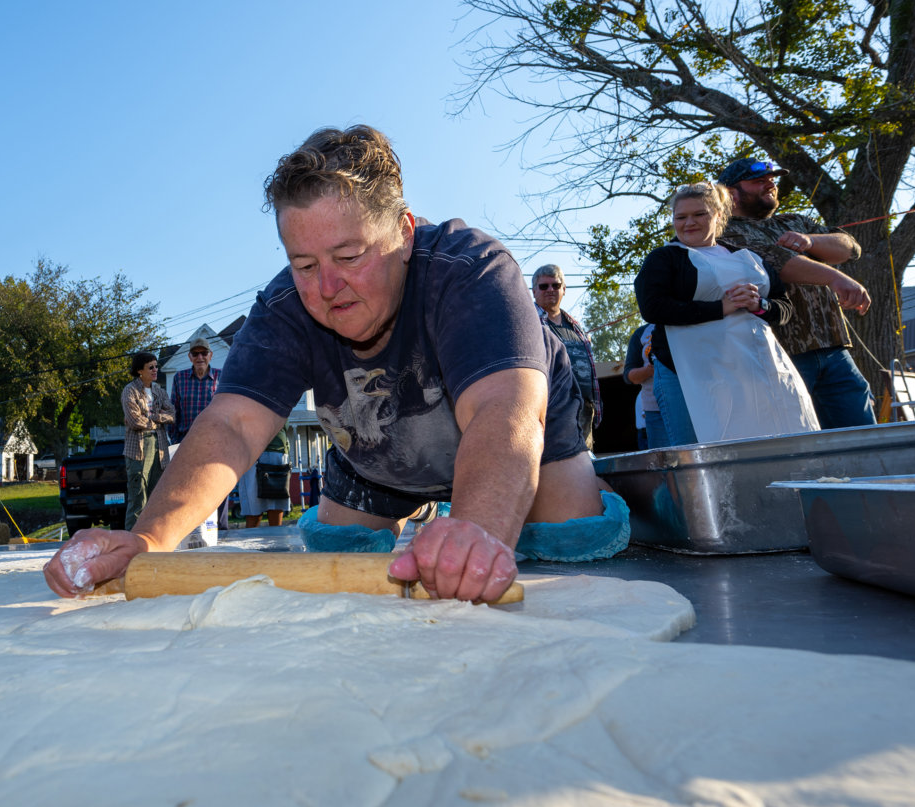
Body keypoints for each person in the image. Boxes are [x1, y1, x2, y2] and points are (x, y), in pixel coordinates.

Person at [46, 125, 627, 605]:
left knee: (567, 536)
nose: (327, 287)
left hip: (518, 438)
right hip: (376, 460)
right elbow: (231, 426)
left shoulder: (471, 270)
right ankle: (429, 514)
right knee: (341, 559)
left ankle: (487, 511)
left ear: (404, 231)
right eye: (303, 263)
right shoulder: (282, 307)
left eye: (350, 256)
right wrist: (148, 540)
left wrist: (475, 532)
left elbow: (506, 412)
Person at [633, 182, 818, 446]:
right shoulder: (665, 258)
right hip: (688, 375)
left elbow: (785, 308)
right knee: (698, 452)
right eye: (681, 217)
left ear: (719, 215)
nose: (689, 223)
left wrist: (759, 305)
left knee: (770, 441)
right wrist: (721, 308)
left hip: (754, 370)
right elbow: (653, 308)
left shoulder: (749, 258)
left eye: (699, 214)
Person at [718, 158, 877, 428]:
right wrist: (835, 278)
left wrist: (812, 240)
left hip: (835, 351)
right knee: (802, 446)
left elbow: (849, 248)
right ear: (731, 193)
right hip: (777, 357)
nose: (770, 184)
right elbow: (777, 263)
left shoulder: (794, 221)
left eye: (772, 179)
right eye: (758, 181)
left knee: (863, 440)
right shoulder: (722, 231)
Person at [532, 265, 603, 446]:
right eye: (543, 286)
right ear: (534, 291)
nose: (550, 290)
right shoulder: (528, 322)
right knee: (555, 469)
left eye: (556, 285)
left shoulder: (576, 327)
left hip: (584, 411)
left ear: (564, 290)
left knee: (584, 466)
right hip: (552, 413)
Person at [168, 338, 230, 530]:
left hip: (216, 443)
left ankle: (221, 530)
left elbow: (228, 410)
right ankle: (193, 531)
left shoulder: (222, 376)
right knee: (189, 489)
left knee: (219, 486)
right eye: (196, 354)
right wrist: (176, 440)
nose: (200, 357)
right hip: (187, 443)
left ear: (210, 355)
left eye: (204, 353)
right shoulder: (180, 378)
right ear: (190, 357)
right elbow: (173, 412)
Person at [120, 351, 175, 529]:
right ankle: (132, 542)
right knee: (138, 497)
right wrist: (159, 420)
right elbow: (135, 421)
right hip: (138, 448)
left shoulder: (159, 390)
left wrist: (152, 419)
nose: (155, 370)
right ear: (139, 371)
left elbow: (172, 415)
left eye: (156, 366)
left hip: (160, 447)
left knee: (156, 497)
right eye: (150, 367)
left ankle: (152, 539)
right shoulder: (130, 390)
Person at [622, 323, 666, 448]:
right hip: (655, 413)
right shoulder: (641, 333)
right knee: (662, 463)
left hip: (691, 406)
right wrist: (651, 370)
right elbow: (628, 375)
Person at [238, 430, 290, 527]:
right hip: (258, 451)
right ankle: (266, 541)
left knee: (270, 507)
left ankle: (275, 541)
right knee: (256, 510)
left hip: (272, 451)